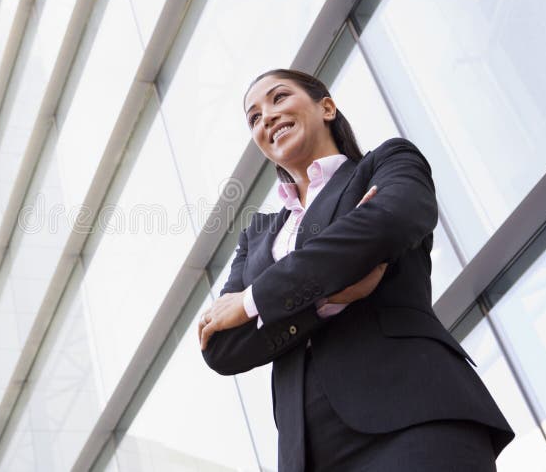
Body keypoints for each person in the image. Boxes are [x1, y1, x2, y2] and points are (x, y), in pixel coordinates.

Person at [198, 69, 514, 471]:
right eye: (255, 117)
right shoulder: (257, 236)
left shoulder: (386, 163)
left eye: (279, 98)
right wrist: (324, 302)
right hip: (309, 452)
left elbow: (389, 222)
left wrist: (254, 299)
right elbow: (221, 346)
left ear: (327, 108)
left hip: (414, 413)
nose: (268, 117)